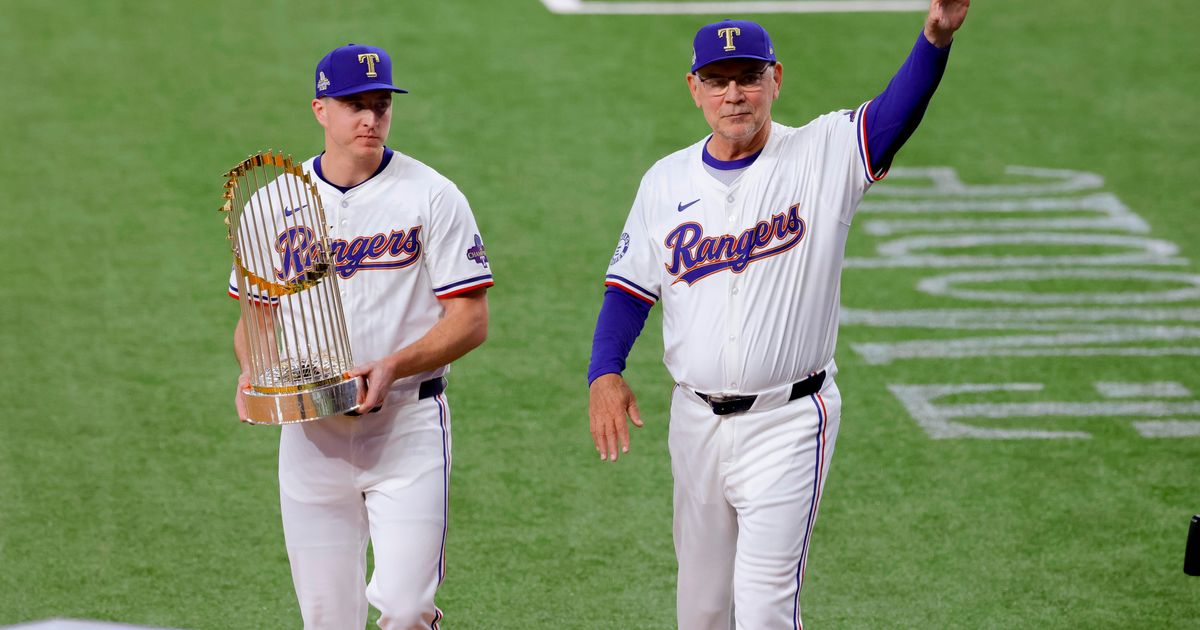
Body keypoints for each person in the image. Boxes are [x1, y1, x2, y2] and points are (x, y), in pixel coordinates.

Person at [587, 2, 969, 628]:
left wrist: (934, 39)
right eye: (718, 79)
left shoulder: (823, 153)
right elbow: (629, 288)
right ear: (695, 89)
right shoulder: (665, 180)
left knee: (765, 610)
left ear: (776, 80)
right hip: (695, 421)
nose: (734, 94)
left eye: (748, 77)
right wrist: (605, 370)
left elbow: (896, 112)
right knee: (703, 610)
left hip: (789, 422)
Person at [228, 43, 493, 629]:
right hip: (311, 437)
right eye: (355, 105)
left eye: (380, 105)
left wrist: (392, 366)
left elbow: (470, 319)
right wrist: (255, 373)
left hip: (407, 428)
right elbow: (257, 320)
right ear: (321, 109)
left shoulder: (432, 195)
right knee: (326, 619)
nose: (370, 118)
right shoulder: (274, 203)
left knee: (406, 608)